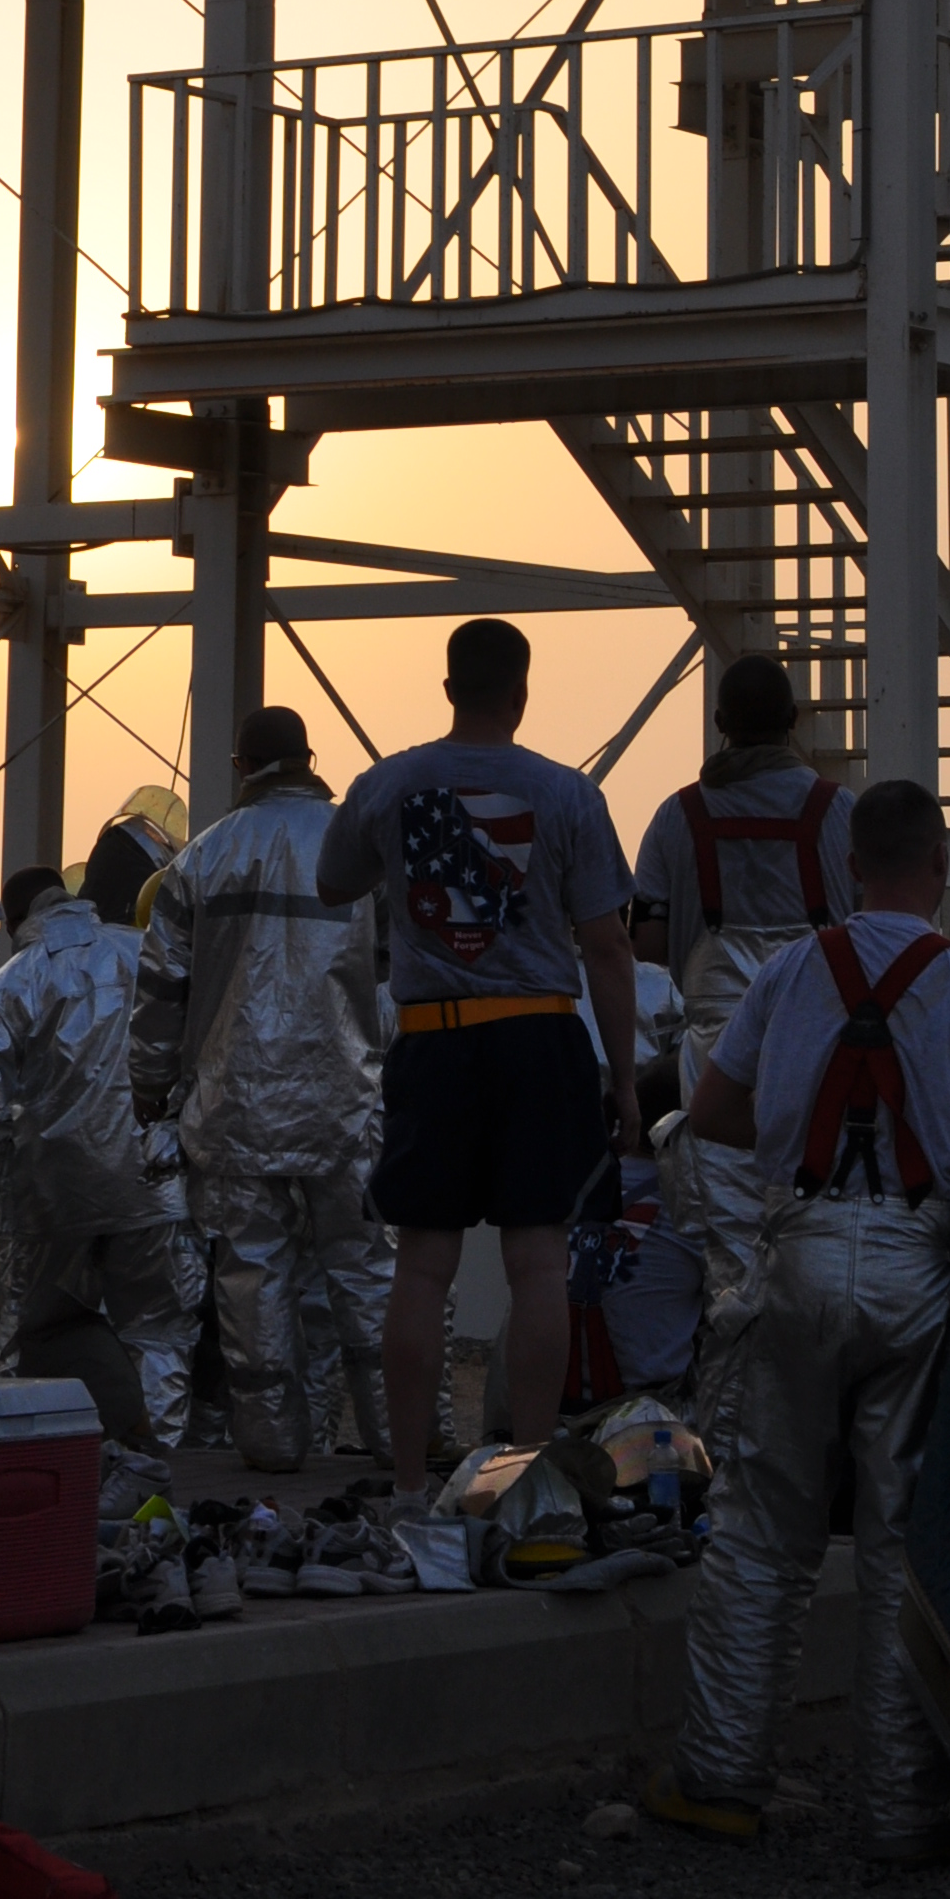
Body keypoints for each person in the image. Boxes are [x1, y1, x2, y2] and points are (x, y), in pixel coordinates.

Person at [647, 775, 950, 1863]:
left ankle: (723, 1779)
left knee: (757, 1533)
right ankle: (903, 1809)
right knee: (898, 1548)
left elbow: (721, 1111)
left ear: (845, 868)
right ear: (941, 867)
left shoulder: (786, 971)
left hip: (795, 1254)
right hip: (919, 1271)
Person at [316, 616, 638, 1512]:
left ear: (448, 686)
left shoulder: (388, 784)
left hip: (436, 1035)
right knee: (539, 1262)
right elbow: (608, 947)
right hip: (540, 1035)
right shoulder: (569, 795)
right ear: (521, 692)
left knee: (422, 1267)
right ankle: (527, 1478)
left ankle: (414, 1486)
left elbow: (332, 883)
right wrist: (621, 1079)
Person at [127, 706, 390, 1472]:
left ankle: (272, 1446)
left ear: (242, 768)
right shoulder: (365, 848)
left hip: (234, 1108)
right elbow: (399, 981)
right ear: (311, 759)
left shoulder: (200, 861)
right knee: (368, 1269)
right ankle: (400, 1435)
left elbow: (161, 993)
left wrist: (150, 1088)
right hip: (349, 1104)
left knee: (252, 1274)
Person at [632, 654, 854, 1336]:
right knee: (828, 1232)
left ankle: (739, 1422)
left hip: (717, 1062)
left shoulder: (677, 817)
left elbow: (646, 943)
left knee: (730, 1258)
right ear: (794, 720)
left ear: (720, 723)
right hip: (828, 1050)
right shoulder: (840, 811)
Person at [0, 859, 205, 1456]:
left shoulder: (16, 980)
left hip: (53, 1196)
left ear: (16, 920)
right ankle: (156, 1463)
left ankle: (16, 1453)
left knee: (30, 1330)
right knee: (157, 1333)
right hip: (152, 1181)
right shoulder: (141, 953)